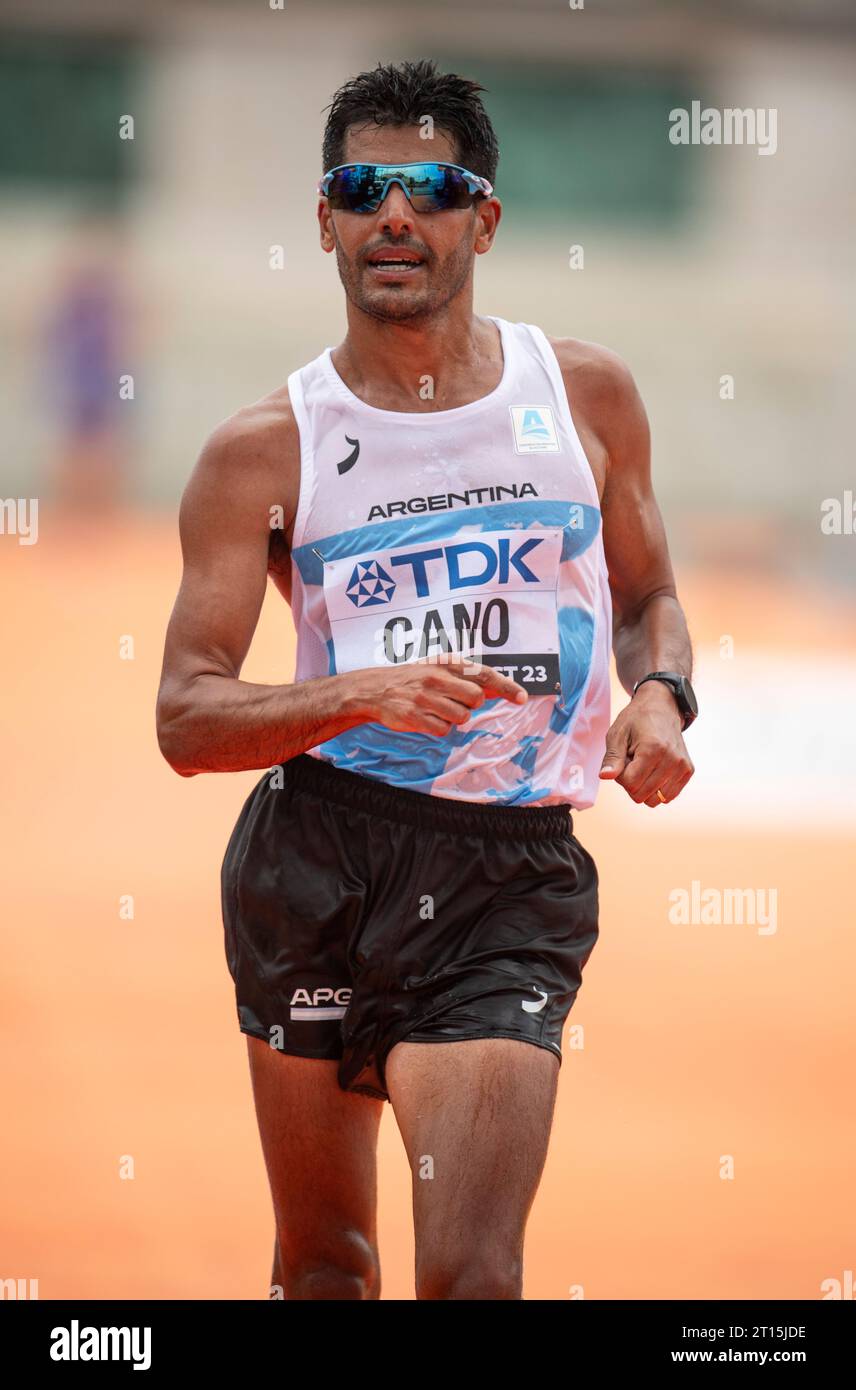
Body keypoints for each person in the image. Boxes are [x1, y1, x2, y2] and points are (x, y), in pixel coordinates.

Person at [155, 58, 697, 1301]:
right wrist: (360, 694)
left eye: (430, 187)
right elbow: (187, 716)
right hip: (319, 865)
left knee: (471, 1275)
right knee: (325, 1267)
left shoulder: (585, 395)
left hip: (508, 877)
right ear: (327, 220)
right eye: (363, 187)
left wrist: (660, 694)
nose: (394, 214)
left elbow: (650, 596)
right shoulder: (263, 450)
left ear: (483, 218)